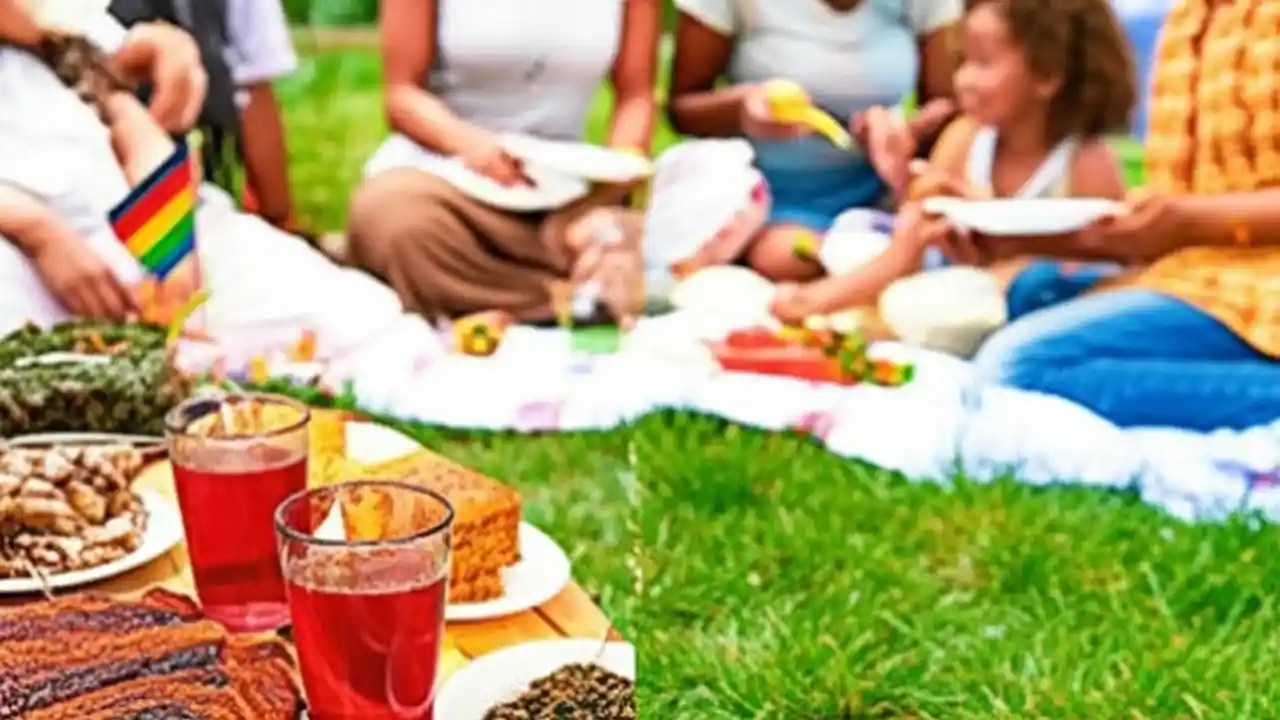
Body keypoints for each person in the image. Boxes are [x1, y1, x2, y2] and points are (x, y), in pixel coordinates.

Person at [0, 5, 400, 359]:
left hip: (131, 247)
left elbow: (139, 139)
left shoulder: (61, 35)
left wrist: (172, 258)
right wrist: (38, 233)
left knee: (352, 316)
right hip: (22, 258)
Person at [955, 0, 1280, 432]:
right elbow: (1175, 220)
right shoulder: (1188, 20)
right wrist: (1011, 241)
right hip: (1202, 279)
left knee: (1017, 368)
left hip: (1262, 287)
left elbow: (1193, 217)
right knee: (1034, 290)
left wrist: (1191, 220)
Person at [769, 0, 1136, 324]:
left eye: (983, 63)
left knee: (1030, 283)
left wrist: (1006, 243)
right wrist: (910, 185)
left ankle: (824, 300)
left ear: (1046, 76)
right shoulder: (967, 137)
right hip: (941, 279)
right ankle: (821, 299)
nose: (962, 80)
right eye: (964, 62)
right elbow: (914, 233)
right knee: (861, 236)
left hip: (1022, 296)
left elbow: (1109, 263)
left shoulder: (1085, 160)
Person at [346, 0, 659, 324]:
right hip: (450, 179)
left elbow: (636, 95)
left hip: (564, 192)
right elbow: (402, 94)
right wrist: (470, 146)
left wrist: (613, 188)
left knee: (639, 226)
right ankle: (565, 300)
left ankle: (556, 296)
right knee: (392, 218)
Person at [668, 0, 962, 283]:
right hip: (767, 199)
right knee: (785, 257)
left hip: (884, 194)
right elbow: (682, 108)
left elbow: (950, 101)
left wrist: (905, 132)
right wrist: (741, 108)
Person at [108, 0, 299, 229]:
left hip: (183, 195)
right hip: (134, 193)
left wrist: (278, 219)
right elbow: (253, 90)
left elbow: (254, 90)